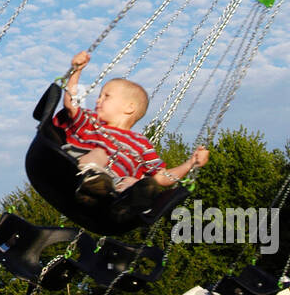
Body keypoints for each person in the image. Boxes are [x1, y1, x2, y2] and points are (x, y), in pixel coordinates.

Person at [54, 50, 209, 198]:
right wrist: (76, 71)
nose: (98, 100)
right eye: (100, 96)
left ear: (129, 108)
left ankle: (128, 201)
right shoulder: (92, 121)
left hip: (111, 188)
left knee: (136, 182)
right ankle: (93, 181)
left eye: (106, 96)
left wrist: (191, 163)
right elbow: (71, 104)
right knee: (100, 154)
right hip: (76, 170)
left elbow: (162, 177)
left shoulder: (141, 144)